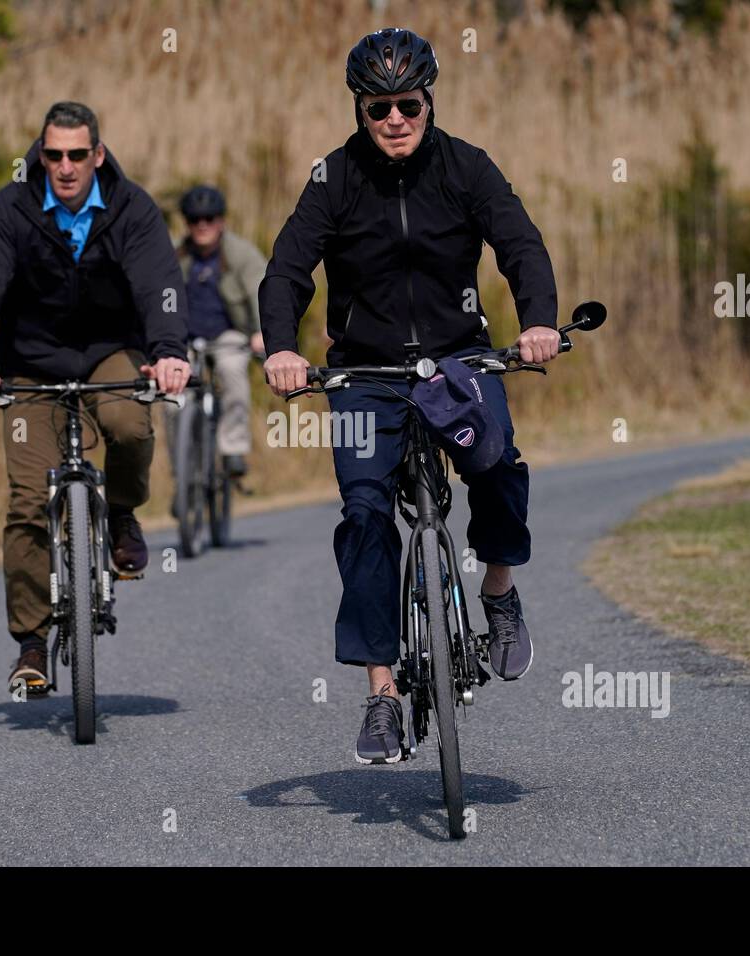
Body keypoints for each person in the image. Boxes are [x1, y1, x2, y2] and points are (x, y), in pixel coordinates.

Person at [259, 29, 561, 763]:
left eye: (408, 106)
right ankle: (382, 695)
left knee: (495, 463)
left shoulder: (466, 167)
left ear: (430, 101)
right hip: (364, 373)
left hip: (459, 361)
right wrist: (281, 348)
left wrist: (540, 322)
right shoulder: (333, 178)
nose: (395, 120)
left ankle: (497, 592)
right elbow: (287, 269)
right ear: (360, 110)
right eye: (378, 108)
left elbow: (520, 244)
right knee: (363, 514)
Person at [0, 101, 190, 695]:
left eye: (77, 155)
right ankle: (31, 644)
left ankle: (125, 513)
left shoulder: (131, 208)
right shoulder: (12, 208)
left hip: (111, 352)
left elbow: (159, 282)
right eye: (53, 154)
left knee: (129, 424)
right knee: (29, 500)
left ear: (97, 155)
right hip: (31, 368)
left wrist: (170, 350)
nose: (64, 166)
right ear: (41, 153)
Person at [167, 185, 266, 479]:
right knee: (172, 396)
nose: (202, 225)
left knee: (231, 369)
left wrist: (262, 332)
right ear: (187, 223)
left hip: (229, 335)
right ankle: (183, 474)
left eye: (209, 218)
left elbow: (261, 292)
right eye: (195, 219)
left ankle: (233, 447)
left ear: (221, 220)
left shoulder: (241, 254)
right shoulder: (174, 254)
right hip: (184, 338)